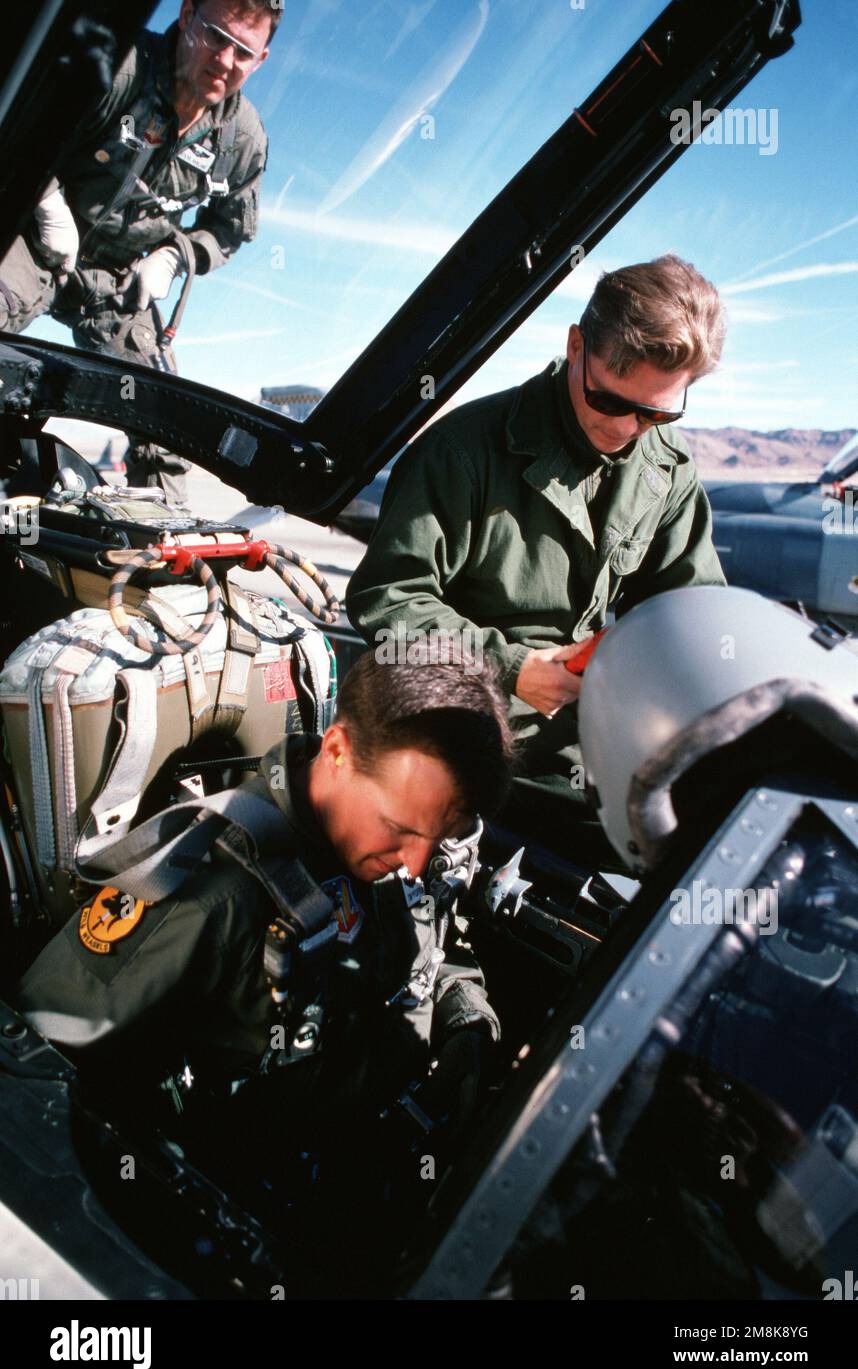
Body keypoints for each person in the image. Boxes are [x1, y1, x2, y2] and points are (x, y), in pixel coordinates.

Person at [15, 652, 514, 1161]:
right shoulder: (209, 890)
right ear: (338, 752)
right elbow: (33, 1068)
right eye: (401, 830)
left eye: (441, 836)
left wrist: (465, 1022)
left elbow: (432, 946)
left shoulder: (402, 837)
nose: (414, 863)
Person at [346, 255, 728, 868]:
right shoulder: (462, 452)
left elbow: (694, 614)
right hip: (474, 740)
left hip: (605, 744)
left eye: (657, 413)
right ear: (575, 346)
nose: (631, 428)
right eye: (611, 401)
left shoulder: (668, 471)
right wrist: (512, 666)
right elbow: (387, 599)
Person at [0, 0, 278, 503]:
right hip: (42, 242)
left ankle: (156, 552)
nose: (225, 59)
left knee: (162, 418)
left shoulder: (242, 140)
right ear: (187, 14)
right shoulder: (119, 67)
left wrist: (173, 258)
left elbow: (229, 230)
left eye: (243, 51)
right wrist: (45, 202)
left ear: (260, 60)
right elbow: (18, 121)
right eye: (216, 35)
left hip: (120, 281)